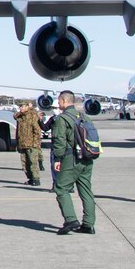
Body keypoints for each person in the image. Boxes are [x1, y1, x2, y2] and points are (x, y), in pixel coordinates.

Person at [51, 90, 96, 234]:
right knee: (85, 190)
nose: (58, 104)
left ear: (64, 101)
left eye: (59, 102)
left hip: (71, 158)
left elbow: (59, 141)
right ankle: (88, 224)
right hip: (87, 157)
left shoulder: (62, 119)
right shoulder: (85, 117)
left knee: (61, 188)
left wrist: (57, 158)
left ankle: (70, 219)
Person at [14, 100, 43, 186]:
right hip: (22, 143)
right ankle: (30, 178)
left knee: (33, 162)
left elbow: (37, 131)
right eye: (20, 107)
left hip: (31, 143)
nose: (21, 108)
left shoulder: (32, 115)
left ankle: (36, 179)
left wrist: (35, 143)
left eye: (23, 106)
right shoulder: (20, 117)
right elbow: (14, 116)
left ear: (27, 107)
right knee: (24, 164)